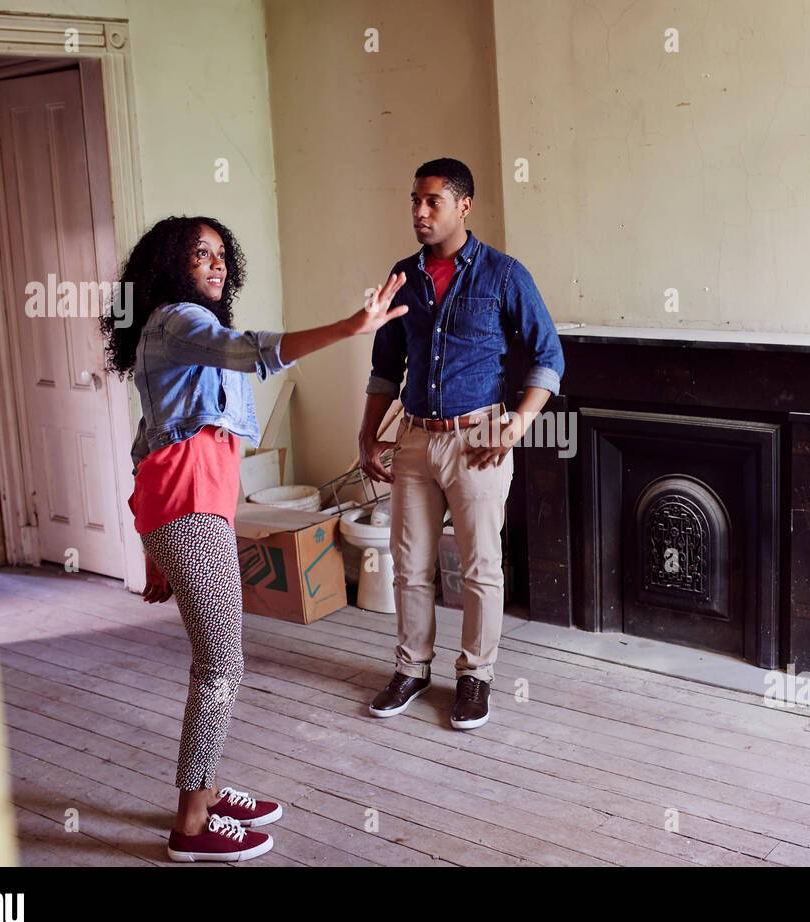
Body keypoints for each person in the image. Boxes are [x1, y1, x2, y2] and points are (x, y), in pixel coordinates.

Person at [101, 215, 406, 861]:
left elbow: (145, 440)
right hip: (187, 508)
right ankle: (190, 824)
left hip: (192, 509)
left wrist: (154, 543)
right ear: (169, 268)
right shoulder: (177, 321)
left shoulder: (189, 334)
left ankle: (207, 792)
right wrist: (351, 328)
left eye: (219, 255)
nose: (214, 264)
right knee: (221, 666)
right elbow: (250, 352)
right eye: (198, 255)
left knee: (218, 662)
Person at [359, 158, 564, 730]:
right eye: (415, 202)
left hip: (480, 440)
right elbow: (385, 367)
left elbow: (549, 358)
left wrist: (517, 424)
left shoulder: (503, 274)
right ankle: (411, 668)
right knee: (409, 566)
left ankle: (475, 678)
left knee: (480, 568)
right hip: (415, 440)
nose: (420, 213)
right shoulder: (404, 274)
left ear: (463, 206)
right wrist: (366, 433)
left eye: (433, 202)